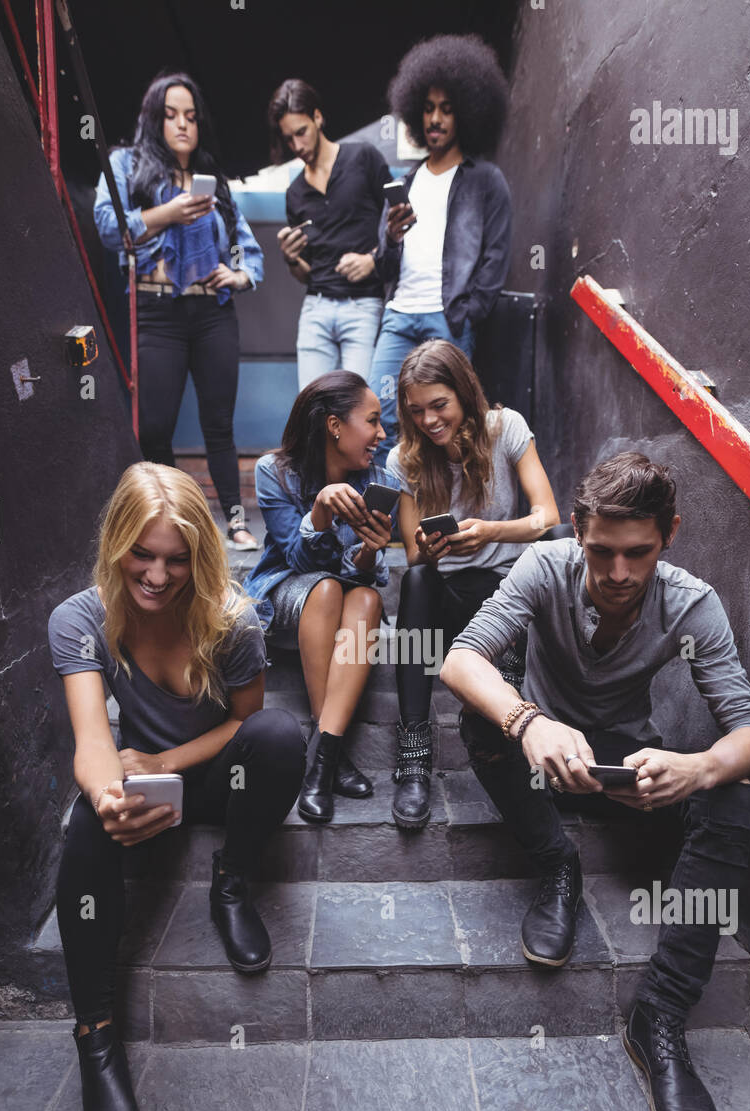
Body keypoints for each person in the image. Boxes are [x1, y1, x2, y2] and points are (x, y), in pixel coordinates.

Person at [440, 453, 750, 1111]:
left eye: (638, 553)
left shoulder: (691, 602)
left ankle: (659, 1018)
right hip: (542, 760)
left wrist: (699, 766)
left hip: (626, 773)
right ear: (578, 533)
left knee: (732, 793)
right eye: (601, 551)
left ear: (670, 534)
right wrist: (529, 723)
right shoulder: (542, 567)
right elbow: (461, 660)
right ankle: (557, 864)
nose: (618, 573)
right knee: (482, 716)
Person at [48, 464, 305, 1111]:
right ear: (117, 544)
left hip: (212, 776)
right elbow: (93, 742)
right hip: (139, 786)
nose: (158, 576)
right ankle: (96, 1033)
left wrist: (163, 763)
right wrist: (109, 797)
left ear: (200, 557)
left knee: (282, 739)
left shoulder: (231, 617)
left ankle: (232, 880)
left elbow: (249, 724)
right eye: (143, 554)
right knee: (83, 827)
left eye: (176, 559)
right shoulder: (80, 619)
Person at [388, 340, 561, 830]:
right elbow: (412, 551)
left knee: (504, 583)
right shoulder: (405, 459)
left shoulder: (507, 429)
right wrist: (431, 545)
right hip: (445, 598)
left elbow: (547, 516)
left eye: (439, 405)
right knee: (417, 580)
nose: (429, 420)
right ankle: (415, 756)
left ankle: (504, 744)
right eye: (416, 410)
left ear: (463, 393)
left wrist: (491, 532)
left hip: (504, 591)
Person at [94, 71, 264, 550]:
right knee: (154, 427)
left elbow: (249, 250)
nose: (182, 125)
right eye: (170, 116)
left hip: (211, 313)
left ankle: (235, 521)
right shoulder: (126, 164)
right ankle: (175, 523)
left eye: (190, 116)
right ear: (153, 120)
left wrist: (239, 275)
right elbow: (111, 228)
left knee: (219, 424)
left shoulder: (213, 181)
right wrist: (169, 213)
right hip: (156, 310)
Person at [244, 372, 398, 824]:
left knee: (367, 601)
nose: (381, 434)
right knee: (327, 587)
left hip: (344, 601)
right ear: (335, 425)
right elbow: (296, 558)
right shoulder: (275, 472)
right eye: (372, 421)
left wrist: (371, 550)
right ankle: (328, 754)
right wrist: (321, 514)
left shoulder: (380, 479)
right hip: (287, 596)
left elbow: (371, 577)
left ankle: (322, 759)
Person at [368, 34, 512, 465]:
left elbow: (496, 256)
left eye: (446, 109)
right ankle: (385, 522)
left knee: (448, 424)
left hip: (448, 318)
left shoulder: (485, 180)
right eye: (428, 109)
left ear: (466, 115)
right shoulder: (406, 181)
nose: (435, 119)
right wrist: (391, 238)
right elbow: (382, 263)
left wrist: (471, 311)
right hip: (399, 315)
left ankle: (443, 517)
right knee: (380, 414)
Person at [269, 79, 391, 389]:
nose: (297, 146)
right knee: (311, 413)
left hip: (363, 306)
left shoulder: (363, 158)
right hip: (316, 309)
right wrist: (291, 259)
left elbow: (400, 226)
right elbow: (306, 274)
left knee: (357, 411)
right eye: (289, 139)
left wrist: (373, 261)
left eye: (301, 133)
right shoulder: (295, 193)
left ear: (318, 118)